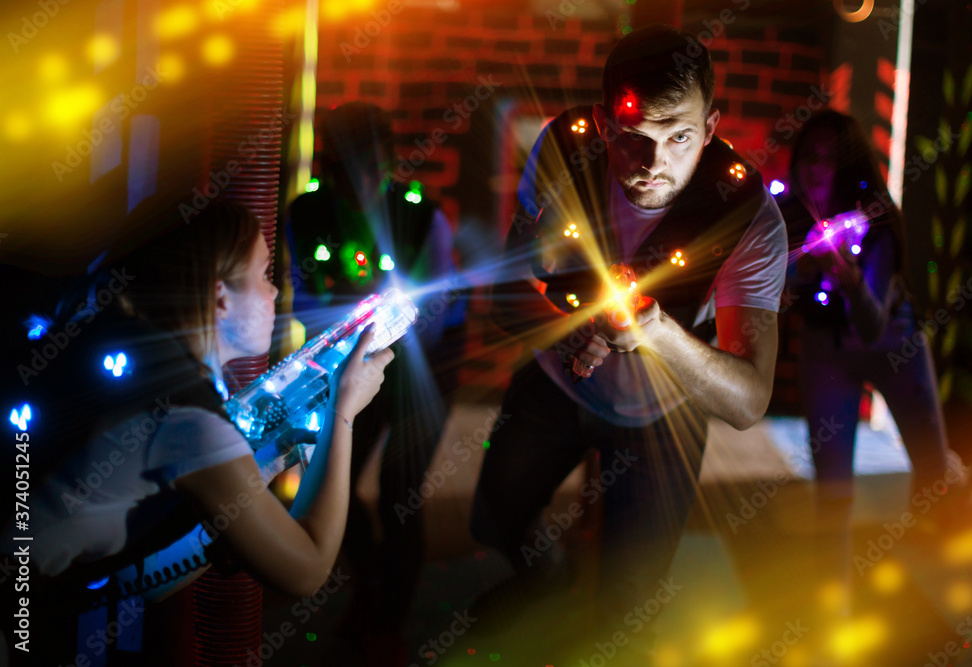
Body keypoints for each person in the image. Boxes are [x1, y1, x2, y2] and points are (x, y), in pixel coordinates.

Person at [469, 24, 787, 660]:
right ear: (603, 122)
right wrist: (567, 325)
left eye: (679, 138)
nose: (654, 165)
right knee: (496, 517)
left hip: (662, 415)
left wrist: (656, 331)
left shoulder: (749, 214)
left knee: (630, 606)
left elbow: (749, 400)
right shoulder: (564, 144)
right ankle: (549, 576)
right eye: (633, 139)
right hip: (557, 385)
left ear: (713, 124)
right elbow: (506, 285)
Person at [0, 200, 393, 666]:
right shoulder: (189, 421)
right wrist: (343, 412)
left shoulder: (136, 360)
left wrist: (257, 470)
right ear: (221, 296)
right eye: (265, 274)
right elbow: (306, 570)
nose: (275, 292)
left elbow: (139, 579)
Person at [285, 101, 461, 665]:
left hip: (424, 369)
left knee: (399, 497)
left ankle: (388, 626)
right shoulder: (306, 212)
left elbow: (441, 309)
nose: (362, 176)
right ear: (331, 160)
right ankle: (366, 588)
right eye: (347, 161)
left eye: (371, 160)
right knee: (330, 478)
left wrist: (396, 357)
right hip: (349, 364)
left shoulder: (422, 216)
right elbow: (308, 298)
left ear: (386, 159)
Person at [780, 110, 972, 612]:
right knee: (833, 492)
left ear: (846, 165)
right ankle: (832, 610)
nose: (816, 168)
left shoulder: (876, 223)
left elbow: (871, 325)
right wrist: (805, 266)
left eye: (829, 158)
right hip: (828, 355)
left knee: (933, 471)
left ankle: (971, 537)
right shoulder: (786, 216)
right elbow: (777, 290)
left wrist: (843, 272)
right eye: (809, 156)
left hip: (895, 347)